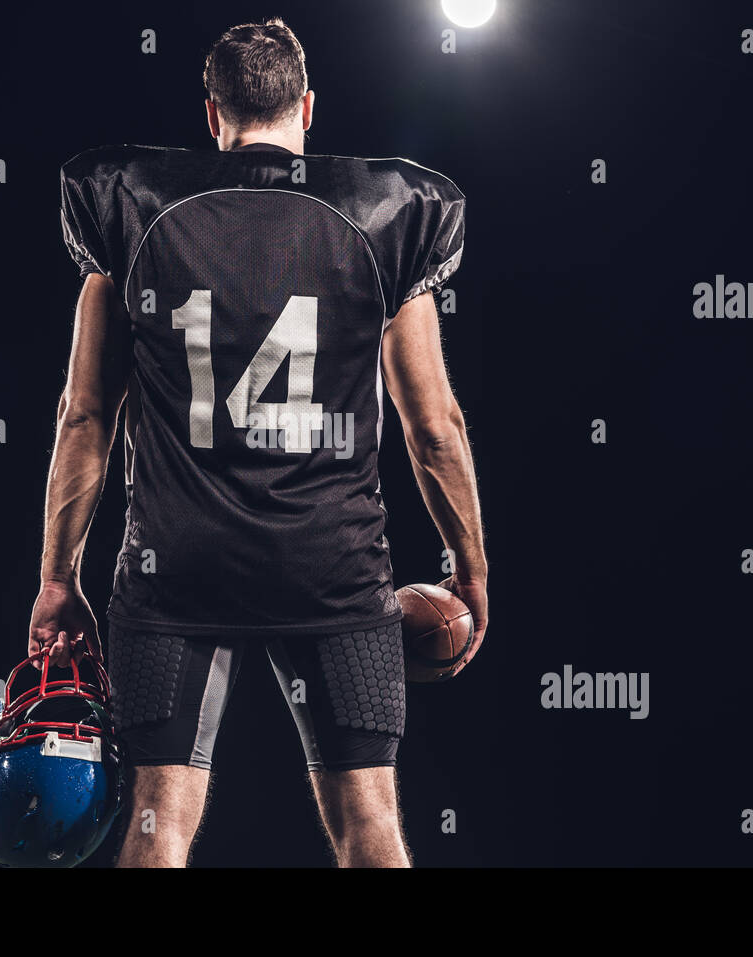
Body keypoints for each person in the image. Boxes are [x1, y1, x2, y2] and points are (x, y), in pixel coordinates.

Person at [29, 18, 486, 868]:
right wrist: (472, 568)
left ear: (212, 116)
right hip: (333, 563)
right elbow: (434, 427)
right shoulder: (385, 215)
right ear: (308, 107)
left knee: (157, 822)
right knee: (372, 827)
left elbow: (83, 415)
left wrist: (59, 577)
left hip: (177, 564)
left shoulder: (135, 207)